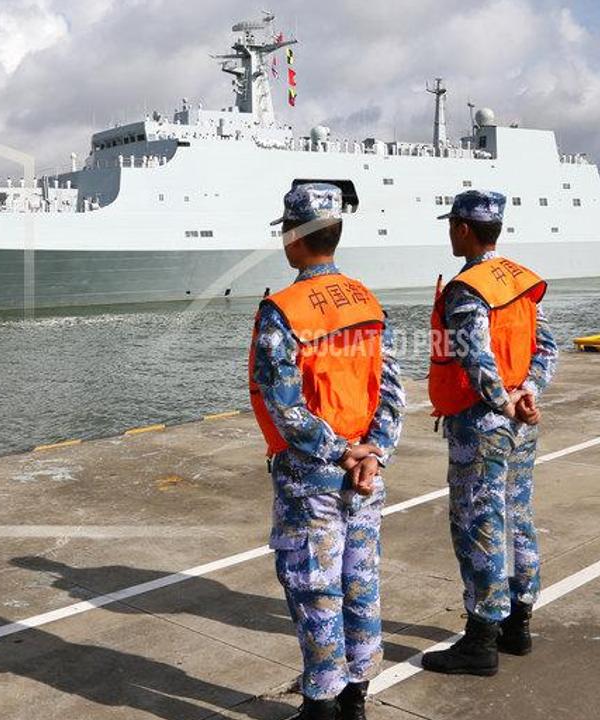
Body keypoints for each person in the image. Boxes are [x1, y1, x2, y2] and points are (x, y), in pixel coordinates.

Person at [248, 183, 406, 719]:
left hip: (312, 477)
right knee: (360, 582)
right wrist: (372, 454)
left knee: (314, 589)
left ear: (294, 237)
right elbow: (391, 391)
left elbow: (285, 406)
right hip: (365, 474)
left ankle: (320, 706)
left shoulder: (283, 310)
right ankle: (355, 697)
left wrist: (340, 454)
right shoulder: (366, 301)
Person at [420, 190, 557, 677]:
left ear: (462, 229)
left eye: (451, 226)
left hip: (481, 426)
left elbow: (474, 356)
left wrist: (502, 400)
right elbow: (546, 348)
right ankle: (519, 624)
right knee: (517, 517)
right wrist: (527, 394)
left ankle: (481, 639)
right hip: (521, 422)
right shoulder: (520, 280)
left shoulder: (468, 288)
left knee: (478, 523)